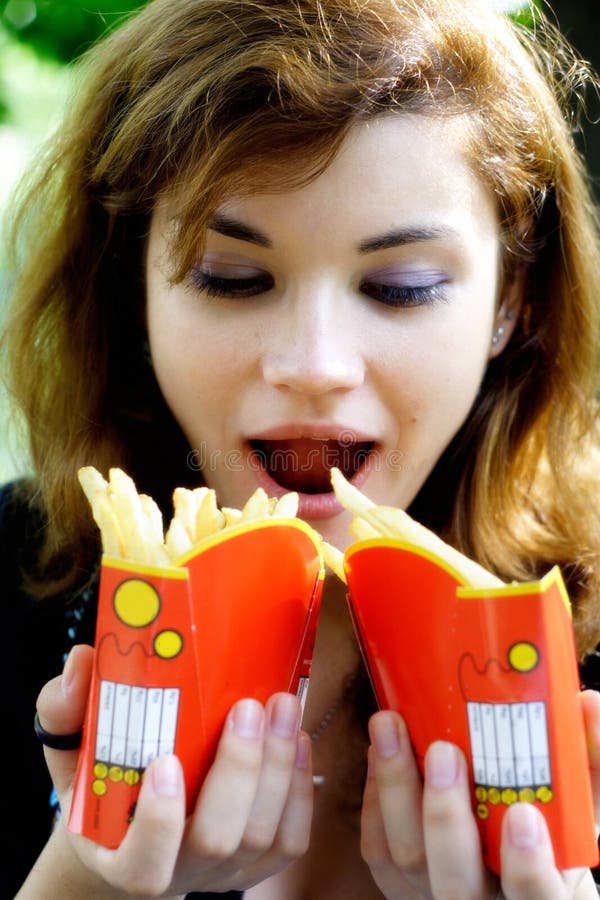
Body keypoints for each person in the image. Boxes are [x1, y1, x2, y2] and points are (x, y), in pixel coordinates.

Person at [3, 0, 600, 896]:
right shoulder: (20, 581)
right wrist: (88, 881)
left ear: (510, 303)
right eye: (231, 278)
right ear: (136, 292)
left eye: (399, 287)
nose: (314, 366)